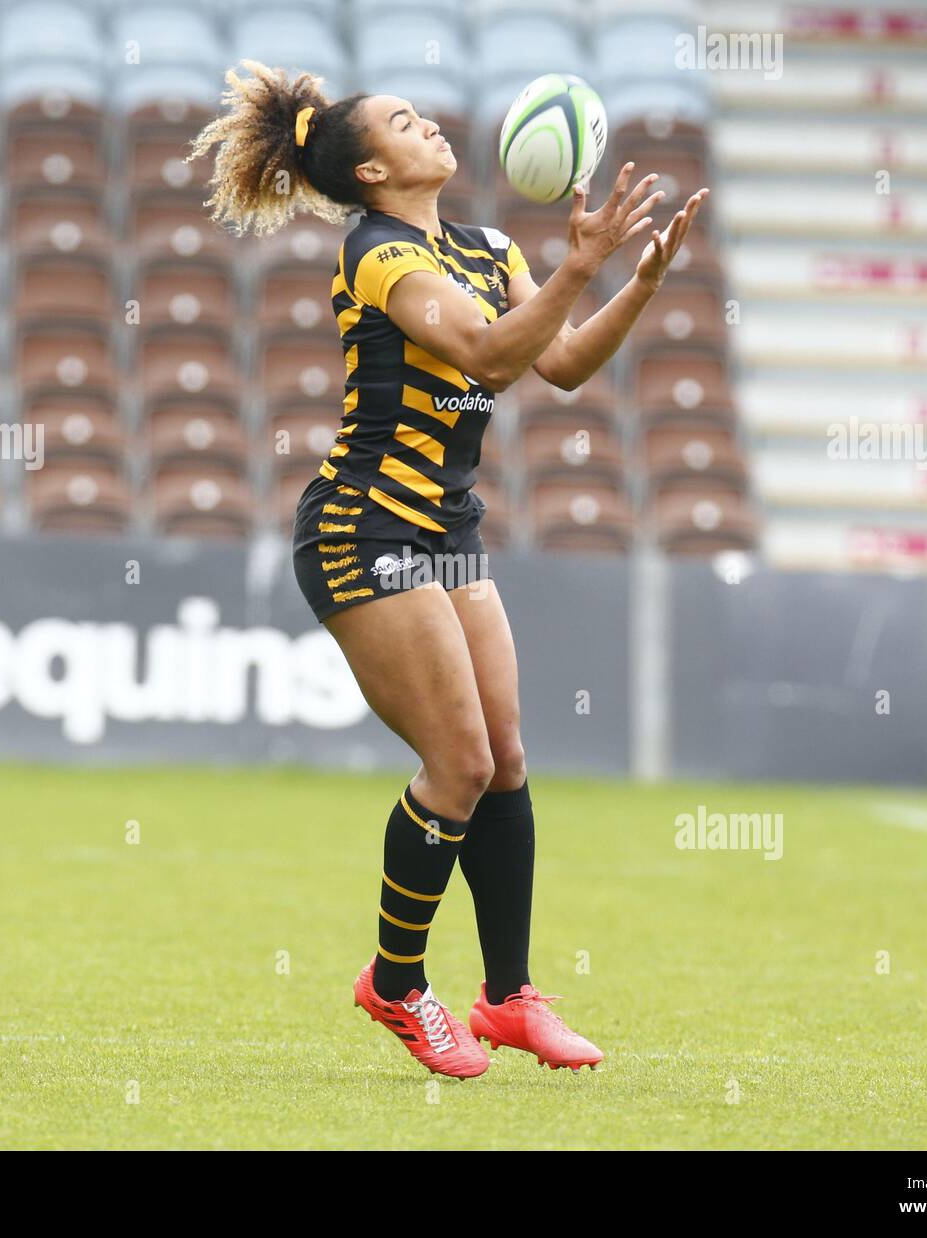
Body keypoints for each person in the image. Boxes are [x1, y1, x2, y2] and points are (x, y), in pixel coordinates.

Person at [188, 60, 707, 1078]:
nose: (428, 125)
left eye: (422, 113)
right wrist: (578, 266)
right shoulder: (378, 254)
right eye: (403, 122)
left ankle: (508, 998)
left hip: (447, 528)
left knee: (505, 756)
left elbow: (553, 363)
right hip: (362, 528)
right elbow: (486, 355)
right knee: (459, 765)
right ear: (373, 170)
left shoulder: (484, 246)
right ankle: (394, 981)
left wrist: (635, 280)